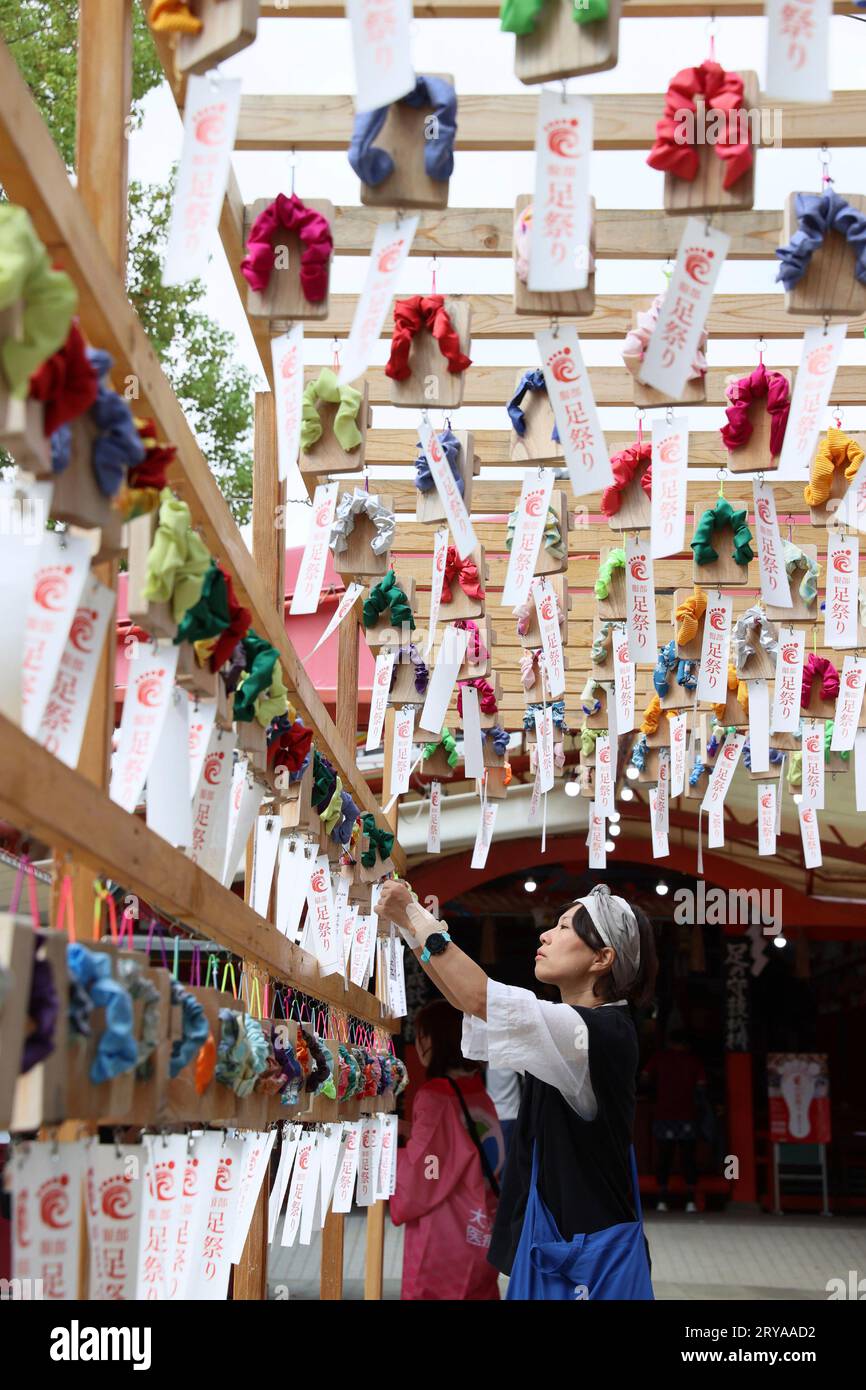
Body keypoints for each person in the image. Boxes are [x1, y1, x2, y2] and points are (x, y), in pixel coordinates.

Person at [377, 878, 658, 1301]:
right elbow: (464, 998)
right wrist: (406, 920)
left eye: (565, 928)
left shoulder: (592, 1031)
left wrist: (413, 913)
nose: (546, 934)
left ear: (603, 958)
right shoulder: (580, 1026)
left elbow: (475, 995)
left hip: (582, 1258)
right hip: (567, 1244)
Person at [390, 998, 504, 1301]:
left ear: (433, 1039)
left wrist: (384, 1151)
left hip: (444, 1235)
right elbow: (455, 1146)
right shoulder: (480, 1092)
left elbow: (424, 1170)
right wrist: (408, 1130)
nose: (417, 1043)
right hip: (481, 1227)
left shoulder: (434, 1096)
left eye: (421, 1035)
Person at [642, 1029, 707, 1212]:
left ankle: (661, 1200)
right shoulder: (693, 1061)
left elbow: (645, 1078)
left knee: (664, 1157)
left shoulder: (659, 1058)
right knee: (688, 1158)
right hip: (688, 1115)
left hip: (664, 1114)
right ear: (685, 1044)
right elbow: (702, 1087)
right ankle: (690, 1201)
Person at [485, 1068, 522, 1158]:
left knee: (496, 1157)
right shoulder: (514, 1064)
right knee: (511, 1157)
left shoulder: (490, 1062)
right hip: (512, 1113)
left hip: (493, 1115)